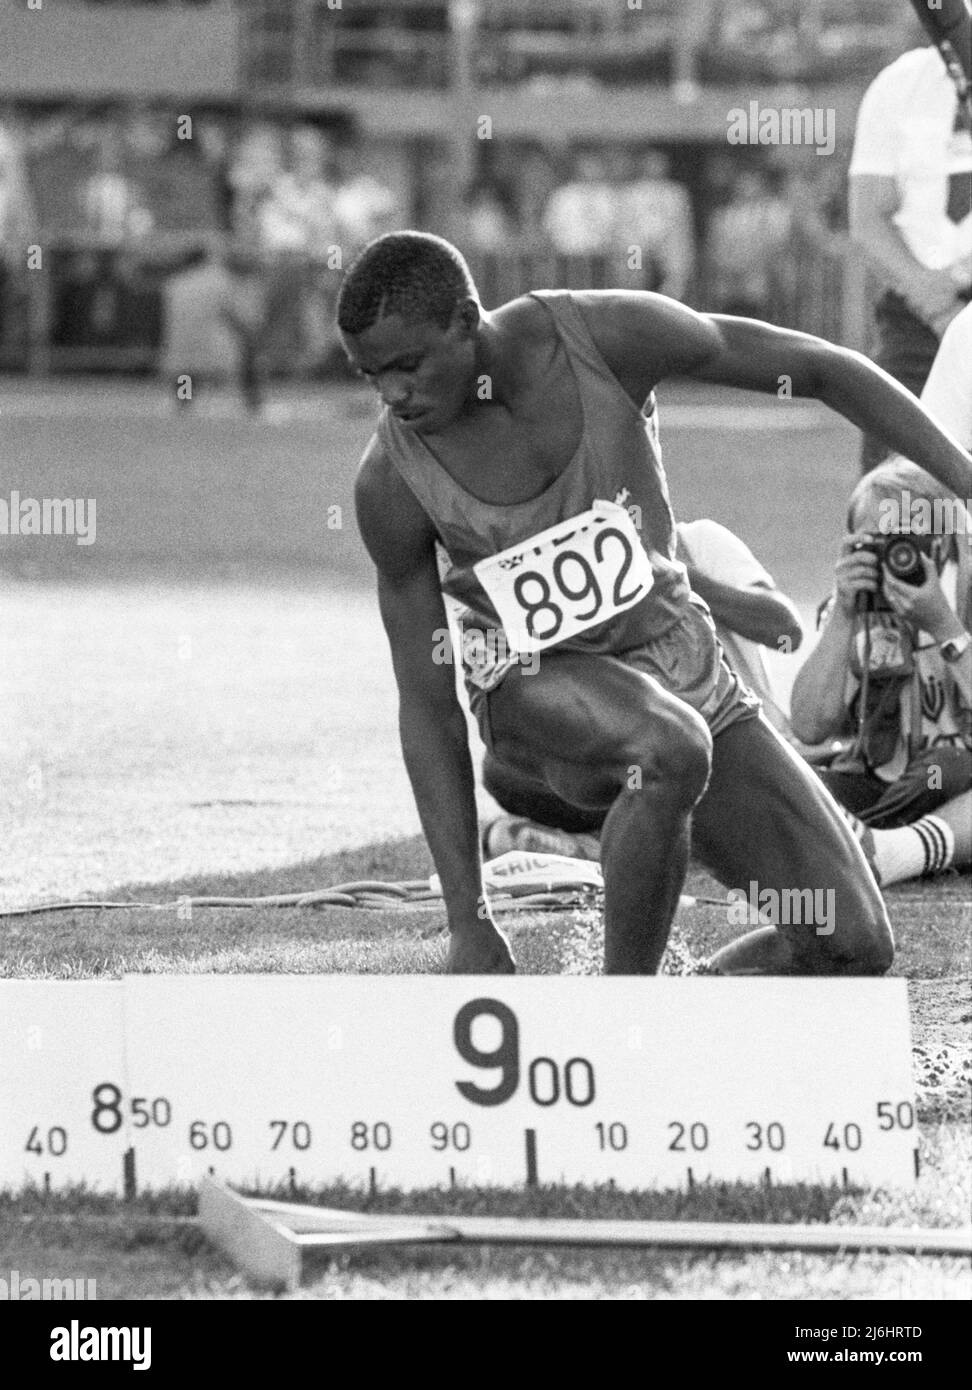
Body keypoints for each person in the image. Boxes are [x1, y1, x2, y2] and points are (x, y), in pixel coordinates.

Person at [339, 231, 972, 976]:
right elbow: (426, 705)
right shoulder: (390, 483)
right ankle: (623, 1020)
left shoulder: (606, 338)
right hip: (533, 692)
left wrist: (965, 479)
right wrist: (468, 920)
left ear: (466, 320)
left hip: (684, 669)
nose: (392, 395)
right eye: (370, 374)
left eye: (406, 366)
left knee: (850, 944)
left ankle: (680, 1003)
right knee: (666, 746)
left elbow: (822, 368)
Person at [482, 517, 804, 860]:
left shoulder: (700, 541)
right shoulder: (578, 567)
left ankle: (600, 848)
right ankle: (641, 842)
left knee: (683, 765)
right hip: (639, 758)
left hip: (734, 745)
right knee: (502, 771)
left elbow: (785, 631)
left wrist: (675, 579)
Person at [848, 43, 972, 472]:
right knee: (894, 498)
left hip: (953, 296)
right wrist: (936, 303)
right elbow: (867, 218)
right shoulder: (900, 83)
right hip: (916, 319)